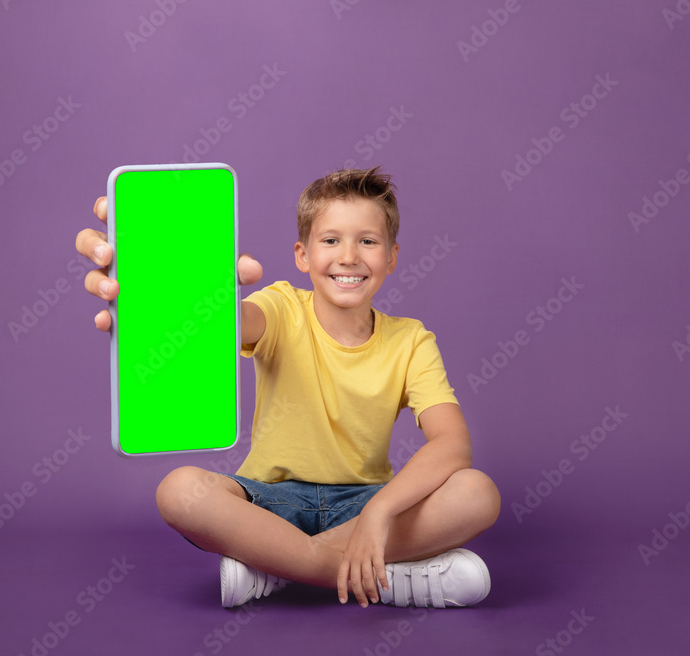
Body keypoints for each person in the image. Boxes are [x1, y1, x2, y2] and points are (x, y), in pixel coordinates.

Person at [75, 167, 500, 609]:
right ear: (303, 255)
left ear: (391, 257)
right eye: (331, 240)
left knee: (477, 492)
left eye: (368, 241)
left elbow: (453, 445)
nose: (349, 256)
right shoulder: (281, 306)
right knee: (179, 490)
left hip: (364, 504)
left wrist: (379, 511)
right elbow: (223, 327)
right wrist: (170, 280)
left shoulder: (411, 340)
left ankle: (278, 568)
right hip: (270, 502)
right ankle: (381, 579)